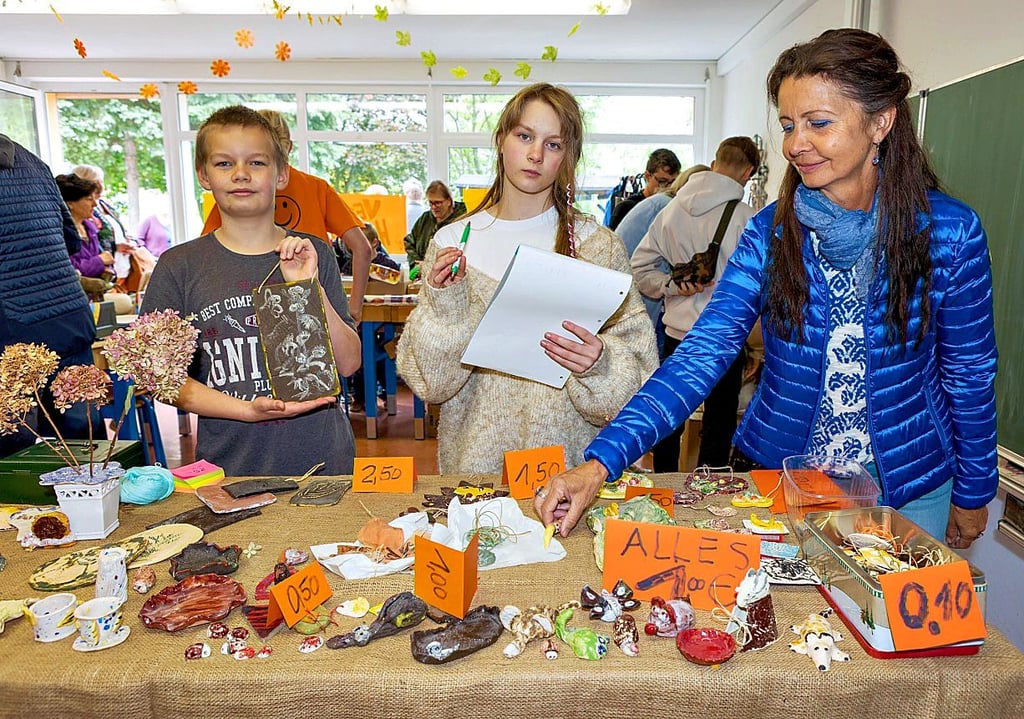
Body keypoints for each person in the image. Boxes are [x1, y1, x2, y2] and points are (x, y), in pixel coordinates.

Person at [537, 29, 997, 551]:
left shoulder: (949, 232)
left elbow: (969, 373)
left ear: (880, 121)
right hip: (789, 484)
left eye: (818, 123)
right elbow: (702, 355)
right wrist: (600, 463)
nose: (795, 144)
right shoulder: (771, 234)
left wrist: (975, 489)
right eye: (788, 125)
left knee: (889, 630)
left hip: (911, 487)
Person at [397, 83, 659, 474]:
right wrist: (446, 308)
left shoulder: (596, 247)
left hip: (571, 479)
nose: (536, 154)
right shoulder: (453, 242)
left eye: (553, 144)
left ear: (567, 157)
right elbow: (433, 385)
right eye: (525, 136)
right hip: (475, 475)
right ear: (502, 139)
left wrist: (599, 362)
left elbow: (638, 386)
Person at [141, 105, 361, 477]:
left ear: (281, 175)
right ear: (203, 175)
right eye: (224, 164)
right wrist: (246, 409)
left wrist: (306, 288)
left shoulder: (314, 252)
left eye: (257, 163)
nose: (241, 174)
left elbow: (348, 363)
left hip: (325, 461)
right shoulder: (179, 266)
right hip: (229, 465)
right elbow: (158, 378)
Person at [632, 137, 760, 471]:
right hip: (724, 336)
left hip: (676, 332)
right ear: (748, 173)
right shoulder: (749, 219)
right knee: (718, 423)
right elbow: (762, 286)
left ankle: (663, 490)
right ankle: (709, 498)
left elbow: (639, 267)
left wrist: (670, 286)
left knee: (669, 416)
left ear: (715, 163)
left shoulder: (670, 211)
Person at [201, 110, 372, 324]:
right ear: (288, 146)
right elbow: (363, 248)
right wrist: (355, 308)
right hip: (307, 304)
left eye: (257, 161)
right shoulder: (316, 188)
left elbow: (207, 257)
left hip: (251, 304)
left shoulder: (235, 198)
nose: (243, 173)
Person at [0, 135, 105, 457]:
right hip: (69, 318)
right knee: (83, 443)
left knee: (14, 445)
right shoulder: (31, 160)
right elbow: (70, 240)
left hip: (13, 328)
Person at [615, 164, 710, 334]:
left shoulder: (661, 201)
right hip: (632, 286)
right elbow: (673, 258)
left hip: (623, 281)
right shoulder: (669, 207)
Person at [607, 148, 681, 230]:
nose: (668, 187)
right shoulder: (625, 208)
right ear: (647, 176)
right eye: (662, 181)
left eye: (674, 182)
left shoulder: (675, 206)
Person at [56, 173, 112, 279]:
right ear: (70, 204)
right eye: (89, 199)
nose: (95, 204)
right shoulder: (62, 234)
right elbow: (70, 269)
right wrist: (99, 261)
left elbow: (107, 258)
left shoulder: (90, 228)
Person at [403, 180, 466, 268]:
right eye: (430, 203)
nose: (433, 207)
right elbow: (409, 241)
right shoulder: (425, 218)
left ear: (449, 201)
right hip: (422, 272)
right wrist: (416, 262)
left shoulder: (462, 220)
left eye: (438, 203)